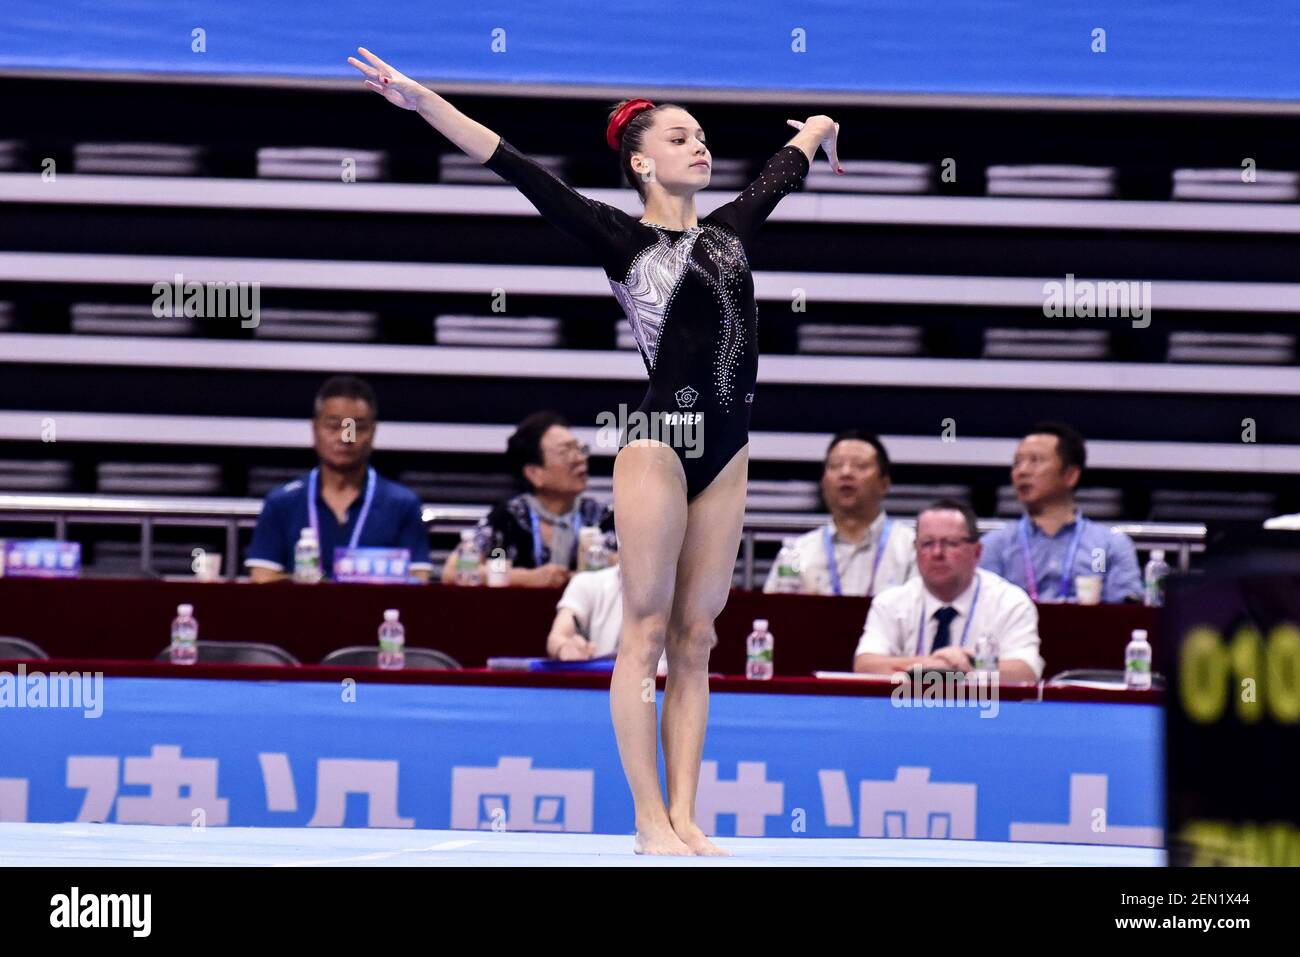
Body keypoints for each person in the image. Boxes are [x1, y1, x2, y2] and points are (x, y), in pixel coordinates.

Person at [350, 46, 839, 855]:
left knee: (698, 636)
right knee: (645, 628)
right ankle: (648, 819)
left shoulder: (731, 230)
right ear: (642, 162)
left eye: (704, 136)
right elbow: (508, 160)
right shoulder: (619, 236)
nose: (701, 146)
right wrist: (419, 100)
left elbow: (784, 167)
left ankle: (686, 813)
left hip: (729, 450)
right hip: (660, 445)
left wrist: (819, 128)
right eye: (681, 138)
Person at [245, 376, 432, 582]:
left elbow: (418, 579)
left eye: (356, 428)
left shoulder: (402, 504)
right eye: (334, 426)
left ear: (372, 431)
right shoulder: (282, 502)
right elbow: (262, 578)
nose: (345, 437)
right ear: (315, 429)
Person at [853, 499, 1042, 683]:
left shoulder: (1010, 602)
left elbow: (1025, 670)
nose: (937, 553)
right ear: (915, 550)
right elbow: (865, 665)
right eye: (927, 543)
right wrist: (929, 664)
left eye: (950, 543)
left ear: (977, 552)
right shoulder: (891, 602)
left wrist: (974, 663)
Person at [441, 411, 615, 588]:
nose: (580, 458)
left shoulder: (600, 516)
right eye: (566, 451)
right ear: (534, 473)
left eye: (580, 448)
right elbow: (451, 572)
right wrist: (527, 578)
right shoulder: (510, 516)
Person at [979, 421, 1142, 603]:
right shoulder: (995, 546)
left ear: (1070, 475)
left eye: (1036, 461)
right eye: (1017, 463)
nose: (1022, 471)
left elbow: (1126, 611)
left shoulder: (1104, 546)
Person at [762, 430, 915, 596]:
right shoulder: (797, 553)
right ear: (823, 483)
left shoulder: (911, 548)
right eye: (835, 466)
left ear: (884, 484)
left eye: (860, 465)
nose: (846, 473)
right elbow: (773, 615)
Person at [546, 565, 667, 673]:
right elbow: (557, 637)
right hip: (602, 690)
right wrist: (565, 647)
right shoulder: (587, 583)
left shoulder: (683, 594)